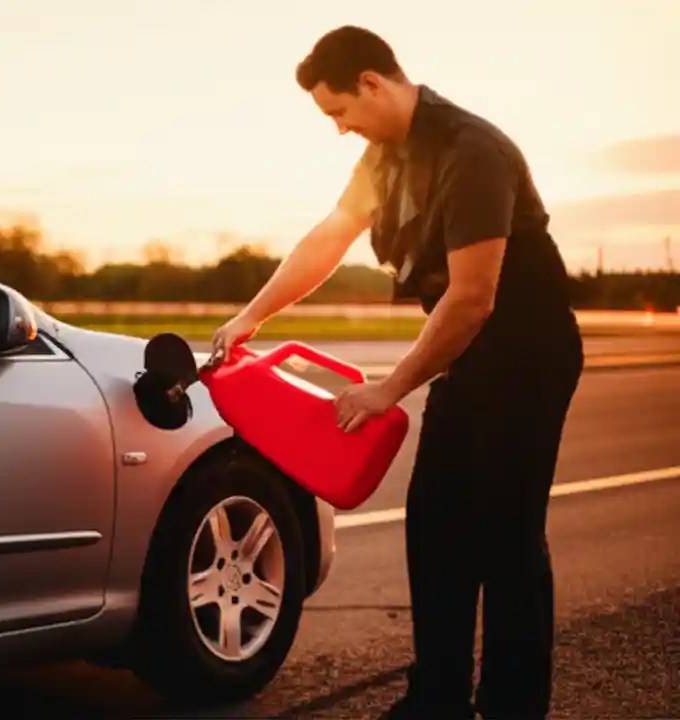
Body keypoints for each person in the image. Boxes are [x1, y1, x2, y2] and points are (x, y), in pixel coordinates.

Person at [211, 26, 584, 720]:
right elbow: (327, 238)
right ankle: (438, 699)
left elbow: (474, 297)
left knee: (505, 534)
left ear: (372, 84)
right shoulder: (383, 158)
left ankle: (512, 705)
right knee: (436, 524)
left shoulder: (473, 152)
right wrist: (249, 317)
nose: (340, 129)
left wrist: (391, 387)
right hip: (467, 351)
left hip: (528, 351)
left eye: (339, 112)